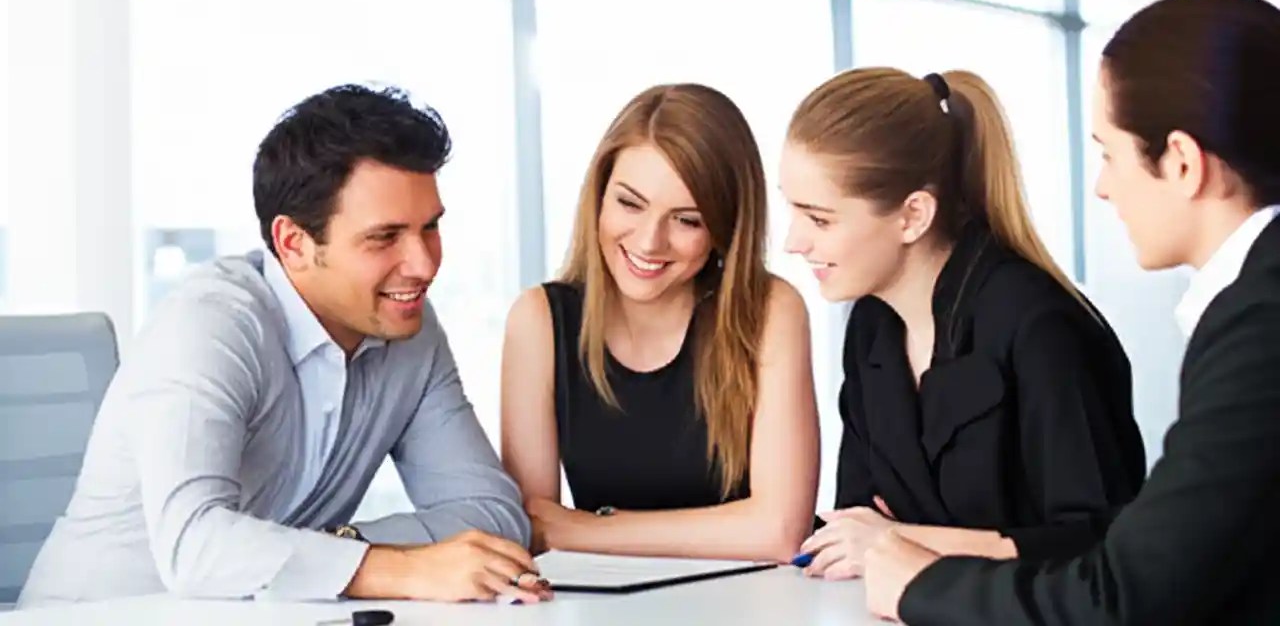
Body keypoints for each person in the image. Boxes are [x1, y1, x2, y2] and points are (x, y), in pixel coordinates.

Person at [18, 85, 551, 608]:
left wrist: (338, 550)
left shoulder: (407, 328)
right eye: (385, 237)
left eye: (429, 228)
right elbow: (195, 547)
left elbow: (491, 513)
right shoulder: (209, 325)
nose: (424, 263)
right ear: (293, 243)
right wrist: (399, 566)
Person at [865, 0, 1280, 625]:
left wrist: (920, 587)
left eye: (1110, 153)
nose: (1103, 186)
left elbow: (1125, 598)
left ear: (1183, 162)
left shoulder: (1261, 323)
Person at [779, 66, 1146, 580]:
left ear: (913, 216)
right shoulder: (870, 326)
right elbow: (855, 526)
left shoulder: (1042, 327)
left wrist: (902, 541)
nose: (793, 242)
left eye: (819, 219)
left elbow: (1101, 545)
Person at [500, 83, 819, 561]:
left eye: (687, 220)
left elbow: (778, 532)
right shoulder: (539, 320)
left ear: (724, 229)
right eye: (629, 203)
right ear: (599, 196)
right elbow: (533, 526)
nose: (650, 242)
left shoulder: (771, 310)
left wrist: (587, 527)